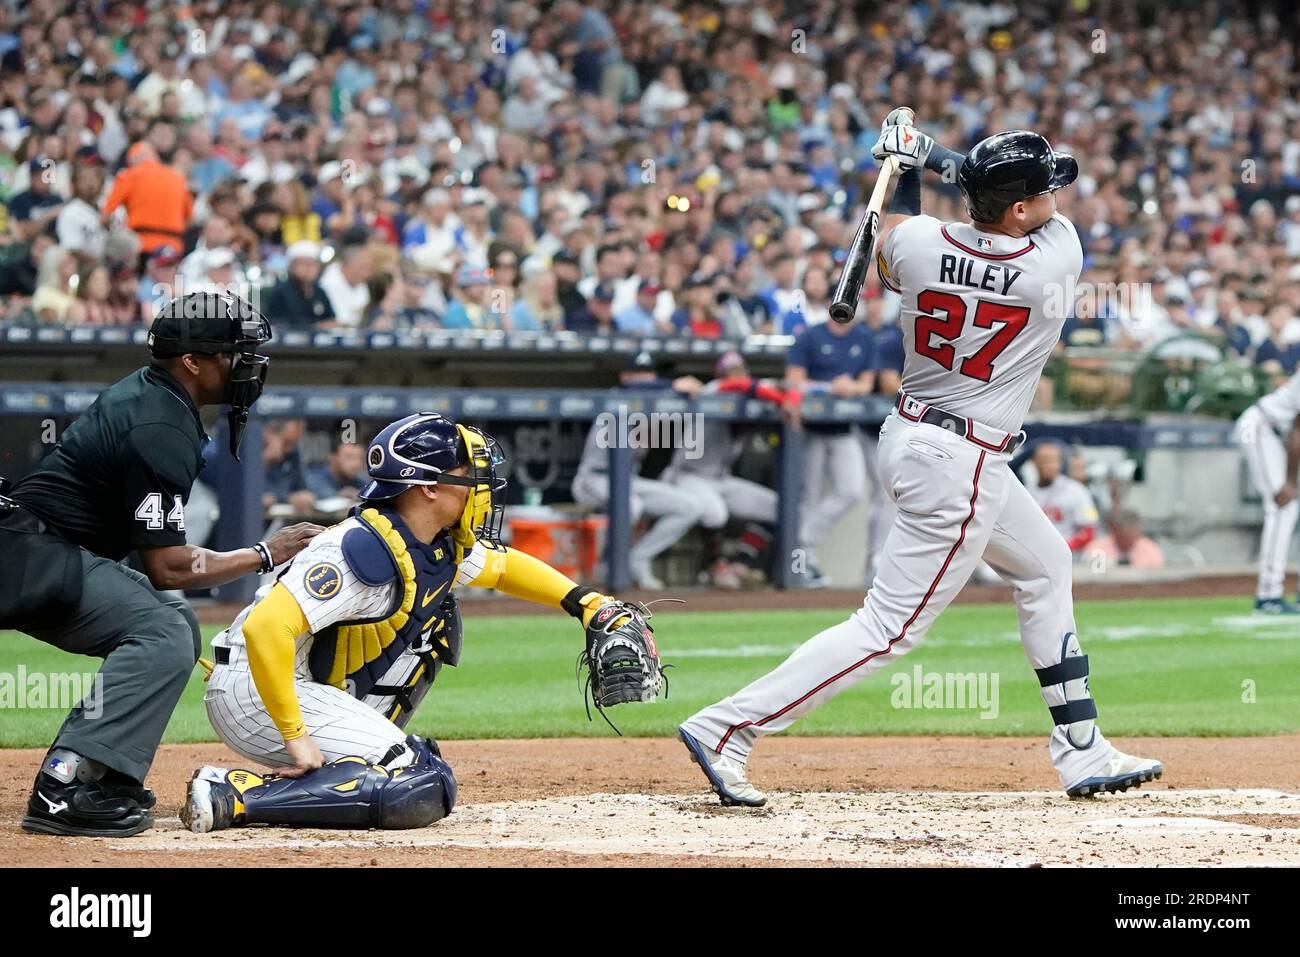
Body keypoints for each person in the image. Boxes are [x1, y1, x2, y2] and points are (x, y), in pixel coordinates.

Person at [678, 115, 1162, 807]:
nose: (1059, 197)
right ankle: (727, 727)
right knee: (885, 628)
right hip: (961, 463)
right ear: (1020, 210)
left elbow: (896, 227)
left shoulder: (918, 243)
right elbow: (974, 190)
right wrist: (927, 154)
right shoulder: (1056, 260)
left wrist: (904, 161)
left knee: (1047, 563)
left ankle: (1082, 747)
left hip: (914, 436)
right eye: (1046, 189)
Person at [180, 413, 652, 832]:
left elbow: (503, 567)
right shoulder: (361, 550)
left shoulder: (428, 541)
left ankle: (359, 757)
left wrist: (588, 603)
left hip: (294, 683)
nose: (480, 486)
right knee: (417, 782)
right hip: (254, 692)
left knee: (437, 622)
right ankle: (234, 795)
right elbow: (266, 628)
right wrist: (297, 739)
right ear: (428, 487)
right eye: (467, 474)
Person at [0, 292, 322, 838]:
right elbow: (169, 569)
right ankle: (64, 785)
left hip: (39, 548)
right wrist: (267, 553)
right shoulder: (161, 426)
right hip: (28, 552)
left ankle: (105, 773)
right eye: (233, 353)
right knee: (162, 631)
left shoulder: (160, 401)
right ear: (193, 362)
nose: (247, 364)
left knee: (172, 623)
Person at [571, 351, 705, 589]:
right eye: (639, 374)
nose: (646, 379)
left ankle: (639, 559)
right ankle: (606, 566)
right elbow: (637, 392)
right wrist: (672, 385)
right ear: (625, 377)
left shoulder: (656, 402)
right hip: (593, 479)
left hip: (628, 480)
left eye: (649, 373)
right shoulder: (617, 396)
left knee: (689, 506)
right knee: (631, 505)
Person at [661, 351, 795, 587]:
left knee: (779, 507)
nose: (736, 375)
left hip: (720, 478)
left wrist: (789, 398)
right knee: (716, 512)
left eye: (739, 370)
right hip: (687, 475)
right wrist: (777, 398)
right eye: (729, 371)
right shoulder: (713, 389)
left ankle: (741, 563)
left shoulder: (752, 391)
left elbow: (791, 387)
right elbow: (738, 385)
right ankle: (714, 565)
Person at [786, 300, 876, 587]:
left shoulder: (863, 337)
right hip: (811, 428)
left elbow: (866, 383)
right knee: (807, 498)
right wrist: (827, 388)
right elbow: (794, 381)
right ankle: (801, 566)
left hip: (844, 428)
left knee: (851, 491)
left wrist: (849, 387)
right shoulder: (810, 336)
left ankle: (803, 540)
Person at [1234, 368, 1300, 613]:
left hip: (1280, 436)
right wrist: (1290, 483)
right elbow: (1298, 429)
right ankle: (1268, 595)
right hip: (1259, 427)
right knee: (1283, 507)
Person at [1025, 442, 1100, 557]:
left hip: (1070, 556)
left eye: (1053, 460)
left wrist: (1063, 548)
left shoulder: (1076, 490)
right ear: (1034, 462)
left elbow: (1089, 531)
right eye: (1044, 460)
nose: (1048, 465)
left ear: (1060, 463)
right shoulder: (1027, 492)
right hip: (1036, 556)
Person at [264, 241, 334, 328]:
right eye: (303, 264)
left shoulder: (320, 292)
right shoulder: (280, 292)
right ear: (291, 266)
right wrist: (313, 327)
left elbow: (331, 319)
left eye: (312, 264)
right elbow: (275, 324)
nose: (308, 269)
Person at [1087, 510, 1165, 571]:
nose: (1129, 541)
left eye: (1133, 535)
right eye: (1124, 537)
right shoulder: (1097, 548)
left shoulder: (1150, 549)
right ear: (1115, 531)